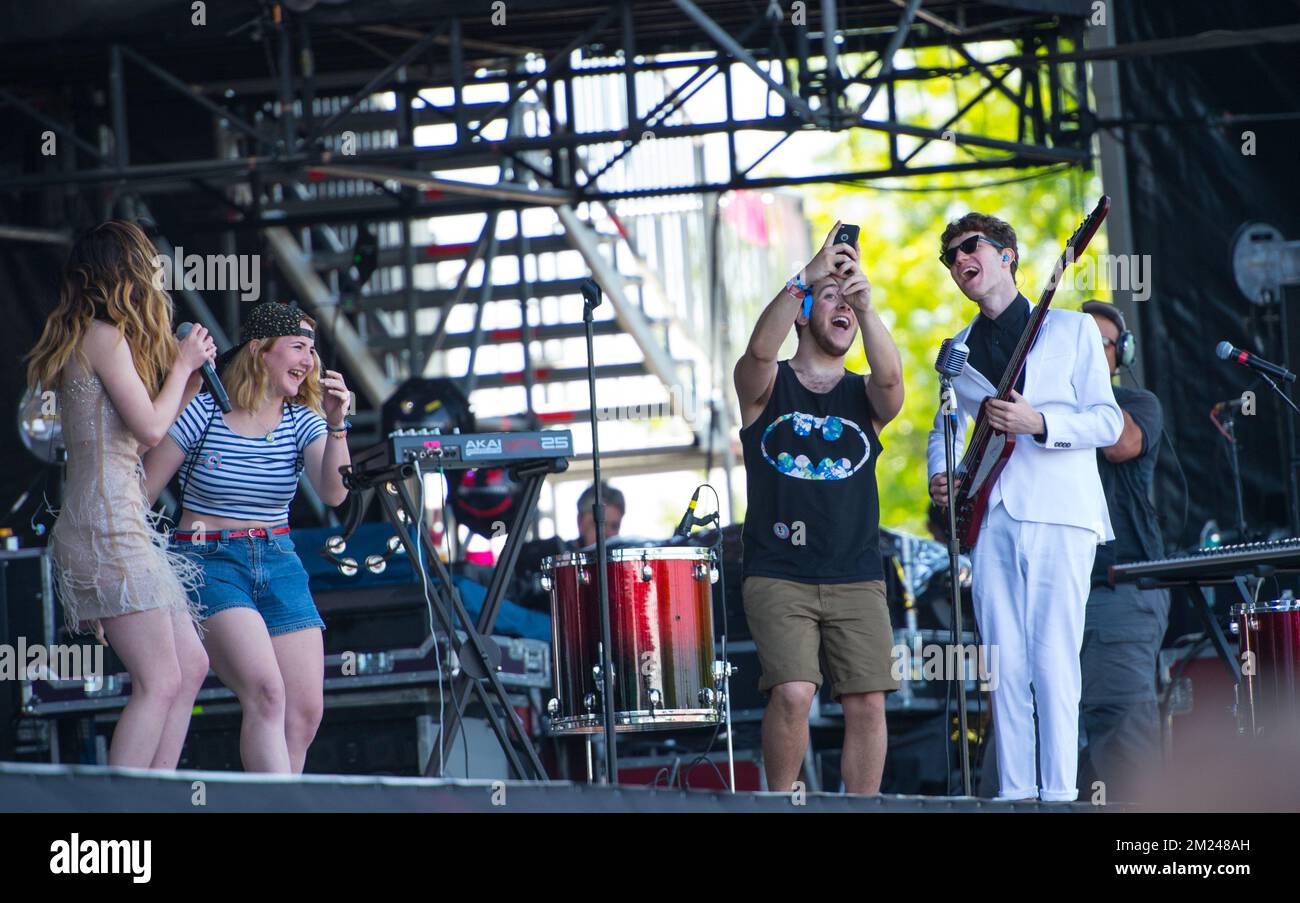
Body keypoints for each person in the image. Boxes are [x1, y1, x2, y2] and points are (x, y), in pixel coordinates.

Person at [927, 213, 1122, 802]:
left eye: (970, 246)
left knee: (1053, 658)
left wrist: (1041, 423)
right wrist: (941, 470)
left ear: (1007, 254)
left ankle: (1059, 795)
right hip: (990, 519)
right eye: (950, 256)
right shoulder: (955, 351)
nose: (961, 260)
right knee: (1004, 666)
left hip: (1060, 511)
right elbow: (945, 426)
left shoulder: (1071, 330)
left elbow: (1107, 421)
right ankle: (1016, 795)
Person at [24, 220, 215, 769]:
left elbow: (141, 428)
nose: (157, 274)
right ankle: (124, 806)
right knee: (159, 680)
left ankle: (157, 793)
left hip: (116, 515)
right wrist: (180, 366)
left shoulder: (99, 337)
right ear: (124, 270)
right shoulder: (103, 336)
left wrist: (191, 383)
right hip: (107, 524)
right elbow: (152, 431)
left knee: (191, 668)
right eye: (148, 262)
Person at [142, 301, 352, 774]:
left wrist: (338, 423)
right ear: (260, 351)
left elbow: (334, 493)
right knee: (266, 691)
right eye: (298, 347)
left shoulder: (304, 419)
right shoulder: (204, 410)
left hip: (277, 557)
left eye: (313, 351)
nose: (309, 361)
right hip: (207, 559)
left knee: (304, 713)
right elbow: (142, 491)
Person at [734, 220, 904, 794]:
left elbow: (894, 379)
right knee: (793, 692)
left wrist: (867, 304)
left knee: (868, 702)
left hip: (857, 572)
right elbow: (759, 349)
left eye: (848, 302)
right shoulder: (765, 385)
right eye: (829, 298)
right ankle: (779, 804)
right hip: (779, 572)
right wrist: (803, 278)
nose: (844, 307)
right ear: (804, 311)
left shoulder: (864, 395)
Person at [1077, 300, 1169, 799]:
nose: (1089, 352)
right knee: (1063, 755)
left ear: (1121, 353)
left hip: (1121, 592)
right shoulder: (1043, 410)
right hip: (1061, 596)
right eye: (1080, 342)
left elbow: (1118, 443)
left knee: (1124, 745)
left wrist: (1084, 384)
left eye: (1101, 344)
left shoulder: (1138, 403)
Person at [576, 481, 624, 547]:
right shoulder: (561, 553)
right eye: (599, 525)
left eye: (614, 526)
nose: (608, 534)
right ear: (580, 521)